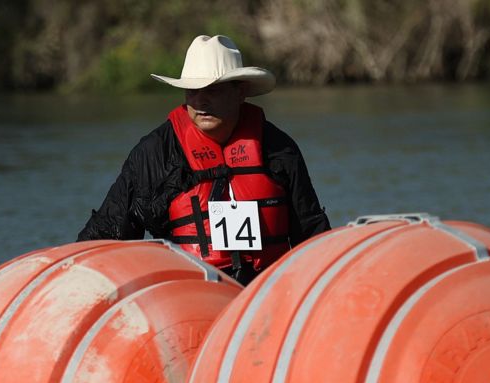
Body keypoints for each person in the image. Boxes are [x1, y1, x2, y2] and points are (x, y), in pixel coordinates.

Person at [77, 35, 330, 284]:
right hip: (192, 298)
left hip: (266, 296)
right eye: (193, 90)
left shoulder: (279, 149)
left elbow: (312, 236)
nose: (200, 101)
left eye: (212, 89)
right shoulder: (156, 153)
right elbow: (107, 234)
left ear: (240, 91)